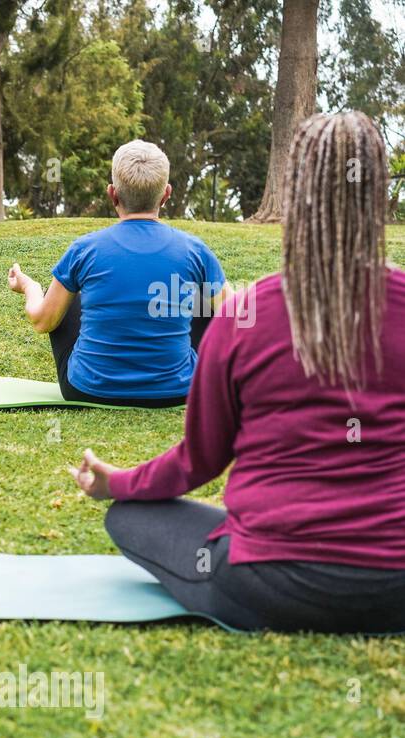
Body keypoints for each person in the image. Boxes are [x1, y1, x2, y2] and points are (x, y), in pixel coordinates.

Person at [71, 112, 405, 634]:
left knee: (129, 515)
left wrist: (121, 482)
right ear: (378, 196)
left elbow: (198, 460)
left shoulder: (243, 316)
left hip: (269, 585)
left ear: (292, 200)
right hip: (395, 589)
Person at [7, 140, 231, 407]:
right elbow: (235, 317)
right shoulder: (196, 251)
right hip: (178, 391)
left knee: (69, 299)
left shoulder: (84, 250)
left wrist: (31, 288)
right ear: (166, 194)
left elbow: (43, 321)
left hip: (87, 389)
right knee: (203, 298)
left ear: (112, 194)